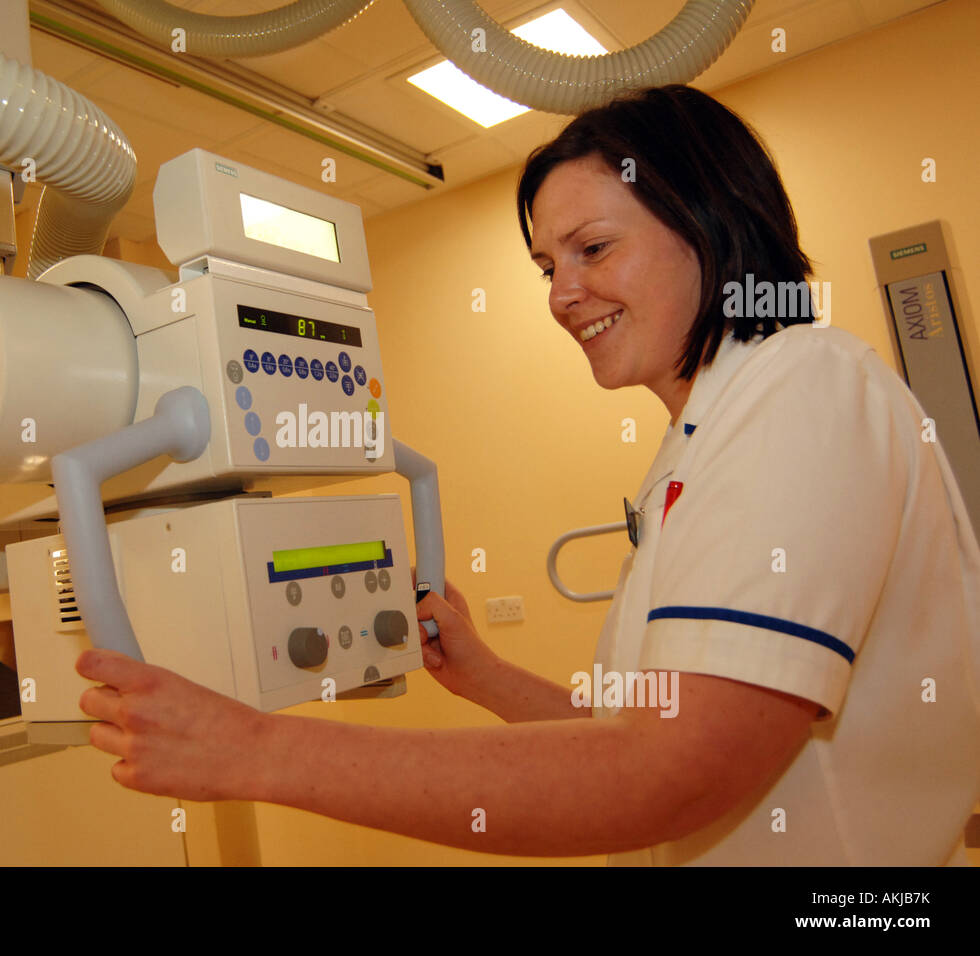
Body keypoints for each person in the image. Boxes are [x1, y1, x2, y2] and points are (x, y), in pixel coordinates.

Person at [74, 85, 980, 864]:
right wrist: (485, 676)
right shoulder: (702, 435)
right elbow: (637, 731)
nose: (560, 294)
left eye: (594, 249)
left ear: (708, 222)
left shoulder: (805, 383)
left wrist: (253, 751)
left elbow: (672, 770)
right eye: (548, 266)